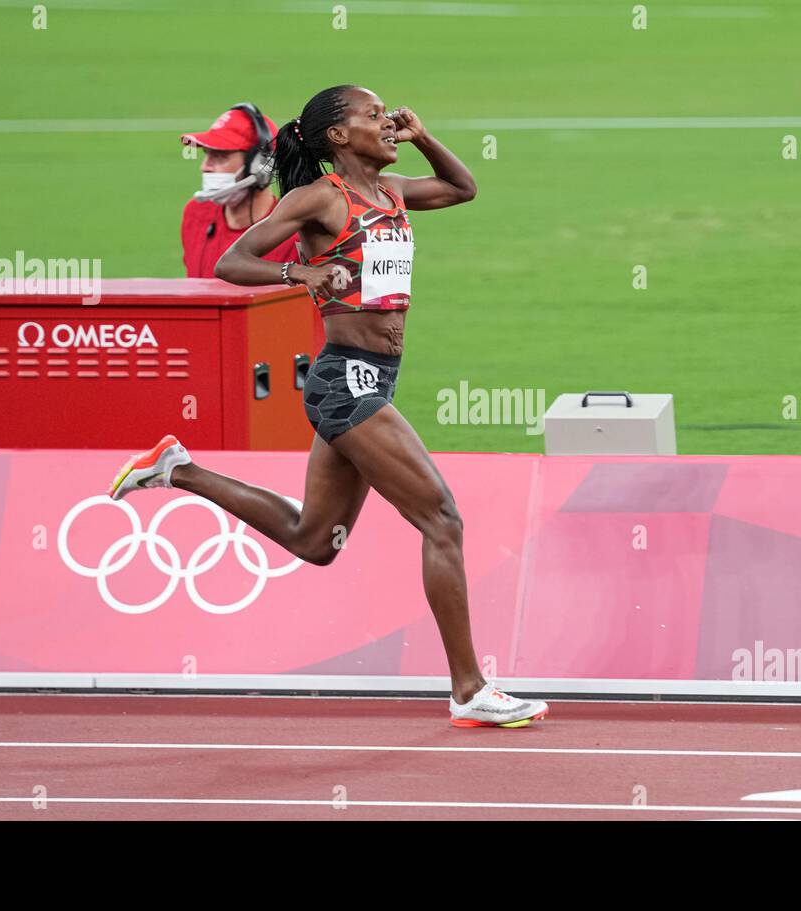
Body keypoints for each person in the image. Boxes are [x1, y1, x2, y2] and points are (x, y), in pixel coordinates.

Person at [108, 85, 548, 729]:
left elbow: (462, 188)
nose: (387, 123)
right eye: (374, 117)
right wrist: (299, 276)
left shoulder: (392, 193)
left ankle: (177, 470)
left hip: (377, 380)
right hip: (347, 384)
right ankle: (468, 687)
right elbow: (235, 260)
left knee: (314, 540)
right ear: (338, 137)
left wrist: (423, 136)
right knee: (443, 521)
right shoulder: (318, 199)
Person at [179, 102, 300, 279]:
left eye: (220, 156)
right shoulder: (196, 213)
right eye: (206, 154)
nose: (205, 167)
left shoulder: (294, 234)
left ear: (260, 166)